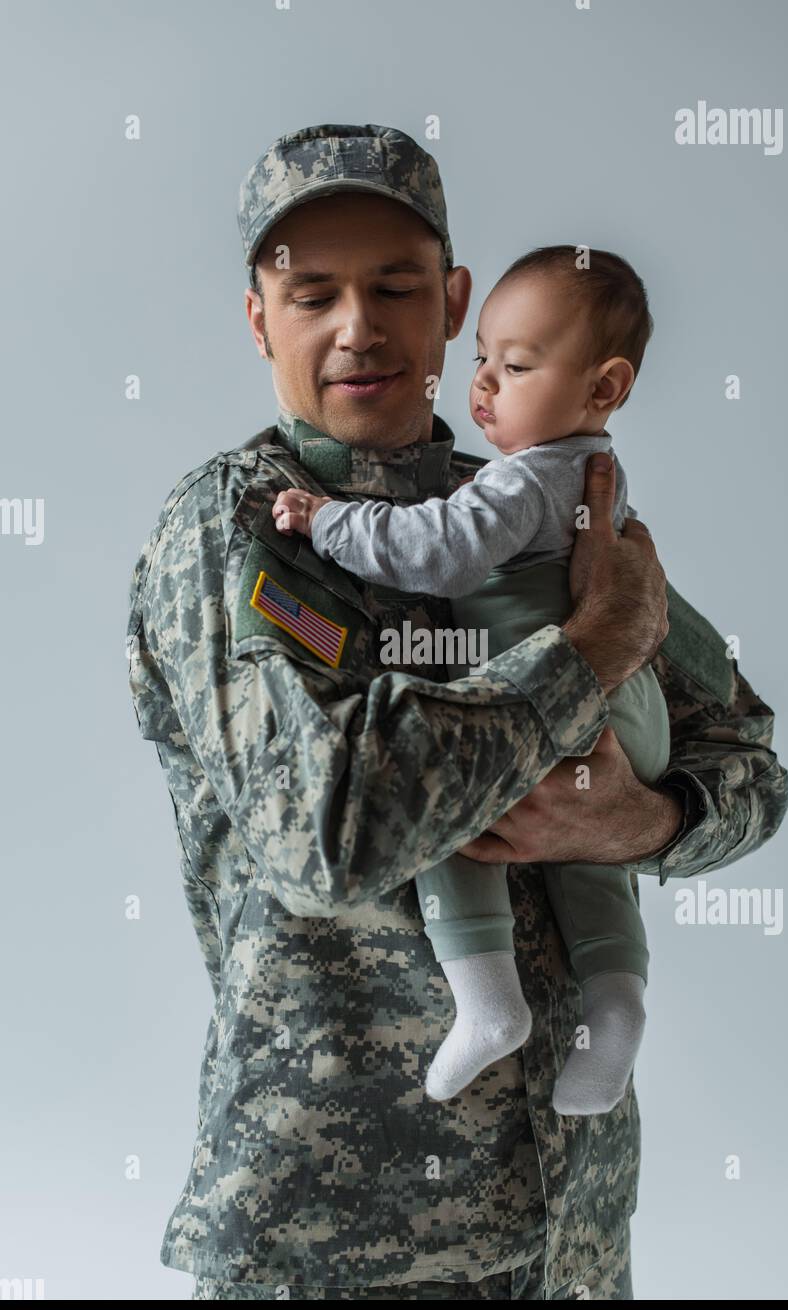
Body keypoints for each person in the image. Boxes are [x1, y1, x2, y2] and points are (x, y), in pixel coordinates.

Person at [126, 124, 788, 1300]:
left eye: (394, 287)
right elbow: (330, 829)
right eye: (311, 292)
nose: (357, 327)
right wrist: (585, 655)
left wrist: (645, 822)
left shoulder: (543, 498)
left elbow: (747, 764)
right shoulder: (236, 526)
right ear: (257, 320)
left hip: (566, 1225)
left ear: (453, 302)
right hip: (339, 1238)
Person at [270, 243, 671, 1114]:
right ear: (260, 319)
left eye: (516, 365)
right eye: (485, 356)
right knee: (587, 853)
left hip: (551, 708)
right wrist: (637, 812)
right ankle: (616, 1008)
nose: (483, 383)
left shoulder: (518, 480)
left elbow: (441, 551)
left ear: (603, 389)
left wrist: (330, 520)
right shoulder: (601, 484)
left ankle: (488, 1002)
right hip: (631, 717)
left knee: (448, 812)